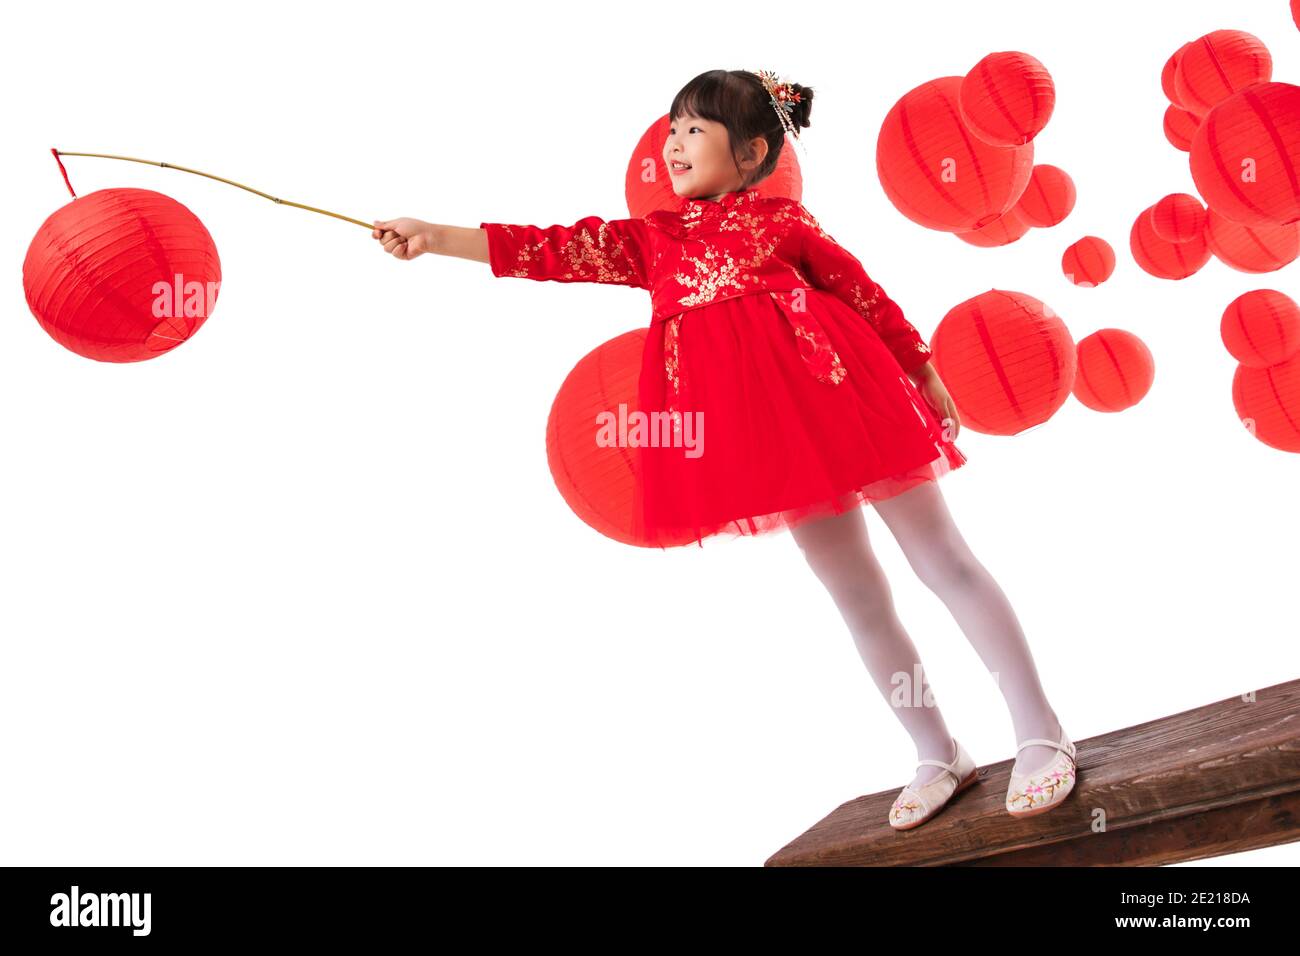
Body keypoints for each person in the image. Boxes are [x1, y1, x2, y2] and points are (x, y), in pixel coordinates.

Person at [370, 68, 1077, 828]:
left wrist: (921, 367)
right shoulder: (653, 241)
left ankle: (1040, 730)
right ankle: (937, 749)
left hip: (849, 402)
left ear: (751, 154)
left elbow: (862, 292)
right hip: (772, 439)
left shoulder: (784, 222)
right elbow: (552, 249)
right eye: (672, 129)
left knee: (944, 560)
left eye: (695, 130)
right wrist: (435, 237)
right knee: (856, 594)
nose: (673, 144)